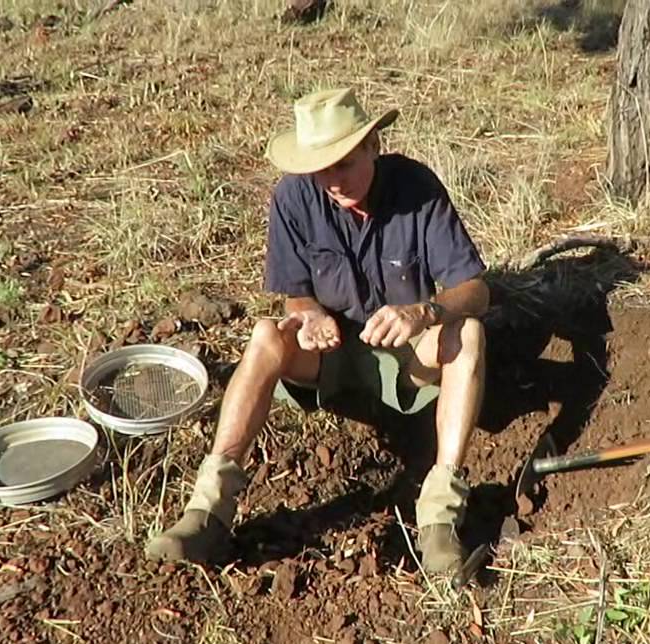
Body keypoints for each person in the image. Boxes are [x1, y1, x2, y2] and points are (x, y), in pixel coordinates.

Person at [145, 88, 489, 575]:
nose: (333, 181)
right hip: (332, 356)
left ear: (373, 145)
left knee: (467, 333)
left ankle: (439, 519)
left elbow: (476, 290)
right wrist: (309, 316)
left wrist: (423, 312)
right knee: (265, 334)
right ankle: (207, 511)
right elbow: (296, 295)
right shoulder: (294, 196)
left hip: (410, 358)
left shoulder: (417, 187)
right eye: (321, 169)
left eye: (344, 164)